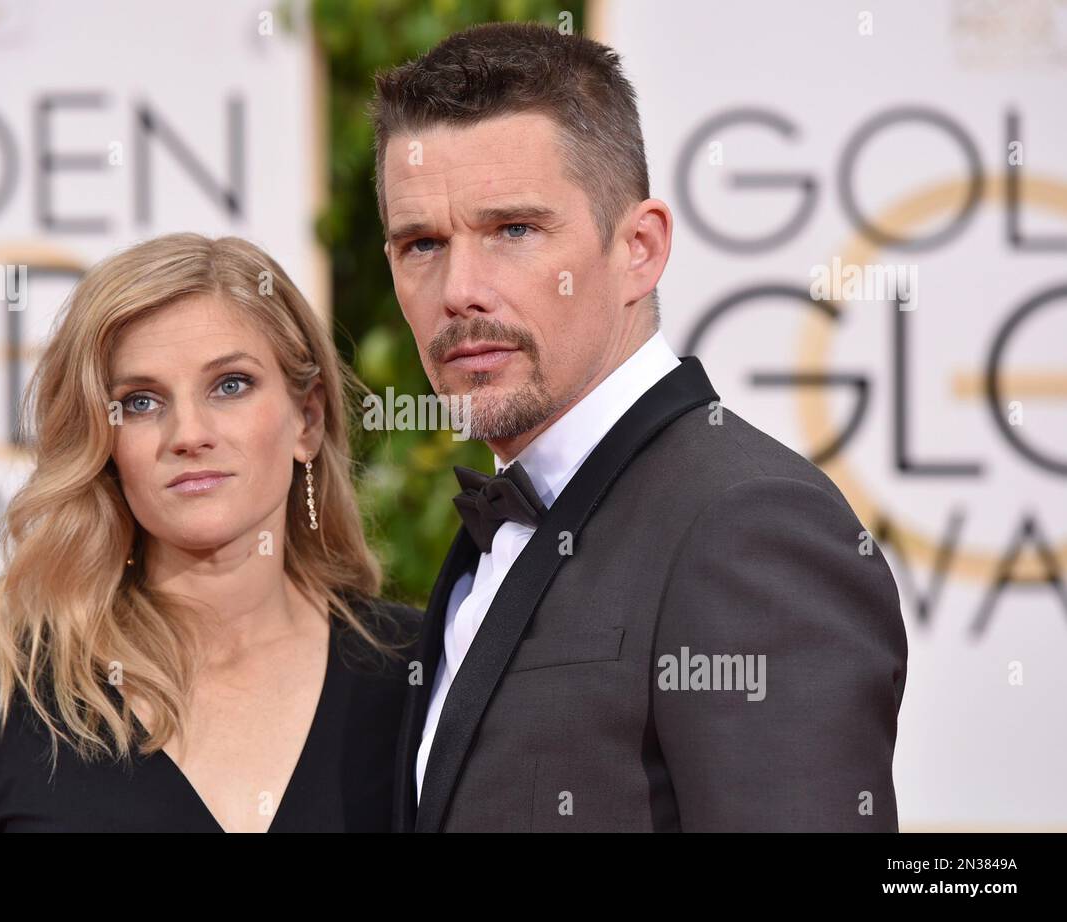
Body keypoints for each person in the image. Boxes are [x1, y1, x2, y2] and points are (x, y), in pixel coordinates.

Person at [373, 23, 908, 832]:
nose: (460, 290)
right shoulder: (502, 526)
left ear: (640, 248)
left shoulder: (748, 524)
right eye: (422, 244)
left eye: (514, 230)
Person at [0, 233, 418, 832]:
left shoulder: (421, 672)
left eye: (230, 384)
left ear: (307, 420)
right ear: (103, 444)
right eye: (139, 402)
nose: (188, 433)